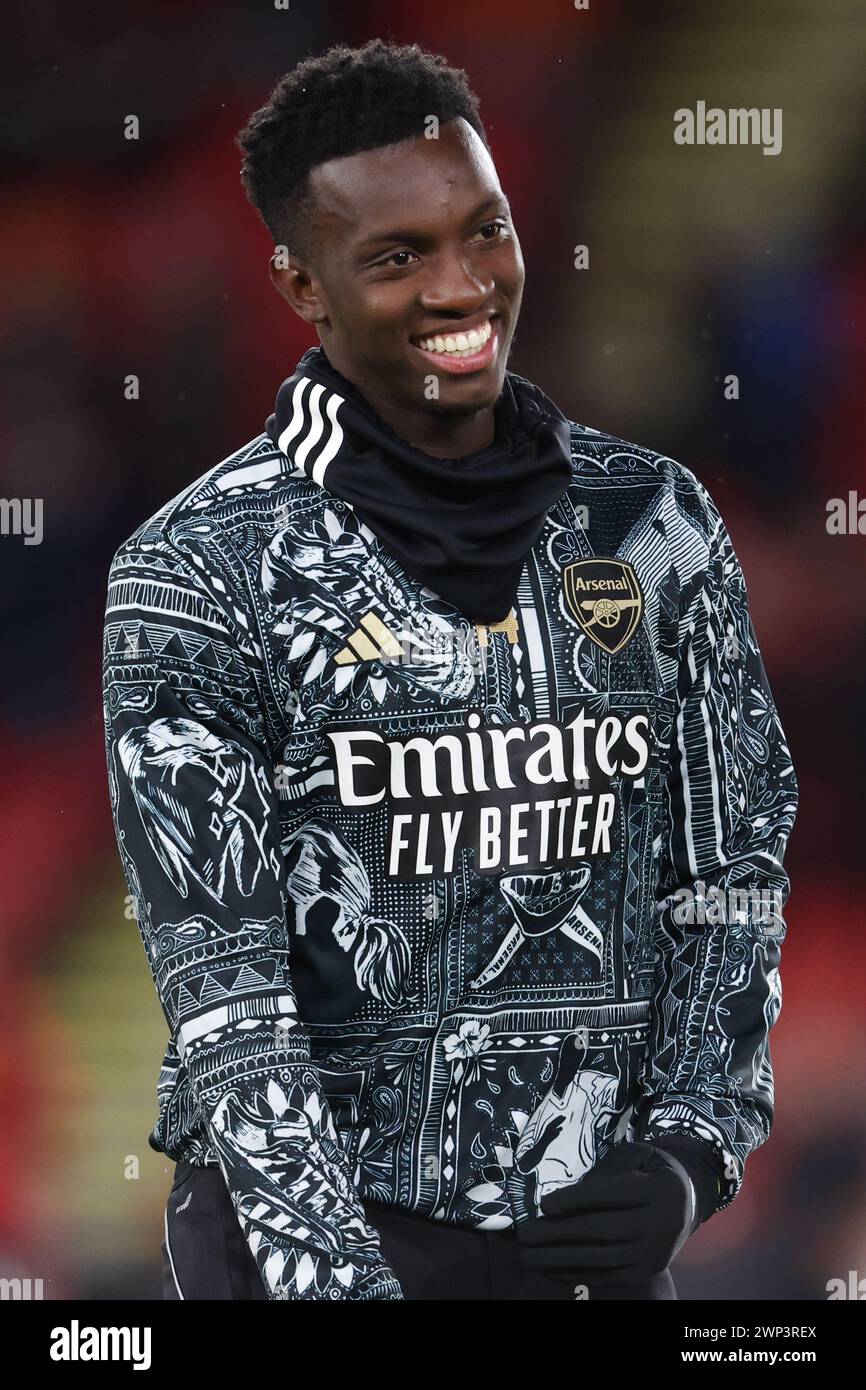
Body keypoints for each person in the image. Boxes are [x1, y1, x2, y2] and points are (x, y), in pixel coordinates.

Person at [101, 39, 799, 1302]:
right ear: (301, 285)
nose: (460, 285)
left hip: (586, 1247)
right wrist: (339, 1282)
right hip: (302, 1258)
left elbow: (731, 869)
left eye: (485, 231)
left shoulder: (652, 522)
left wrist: (690, 1148)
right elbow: (225, 989)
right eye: (394, 256)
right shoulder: (197, 567)